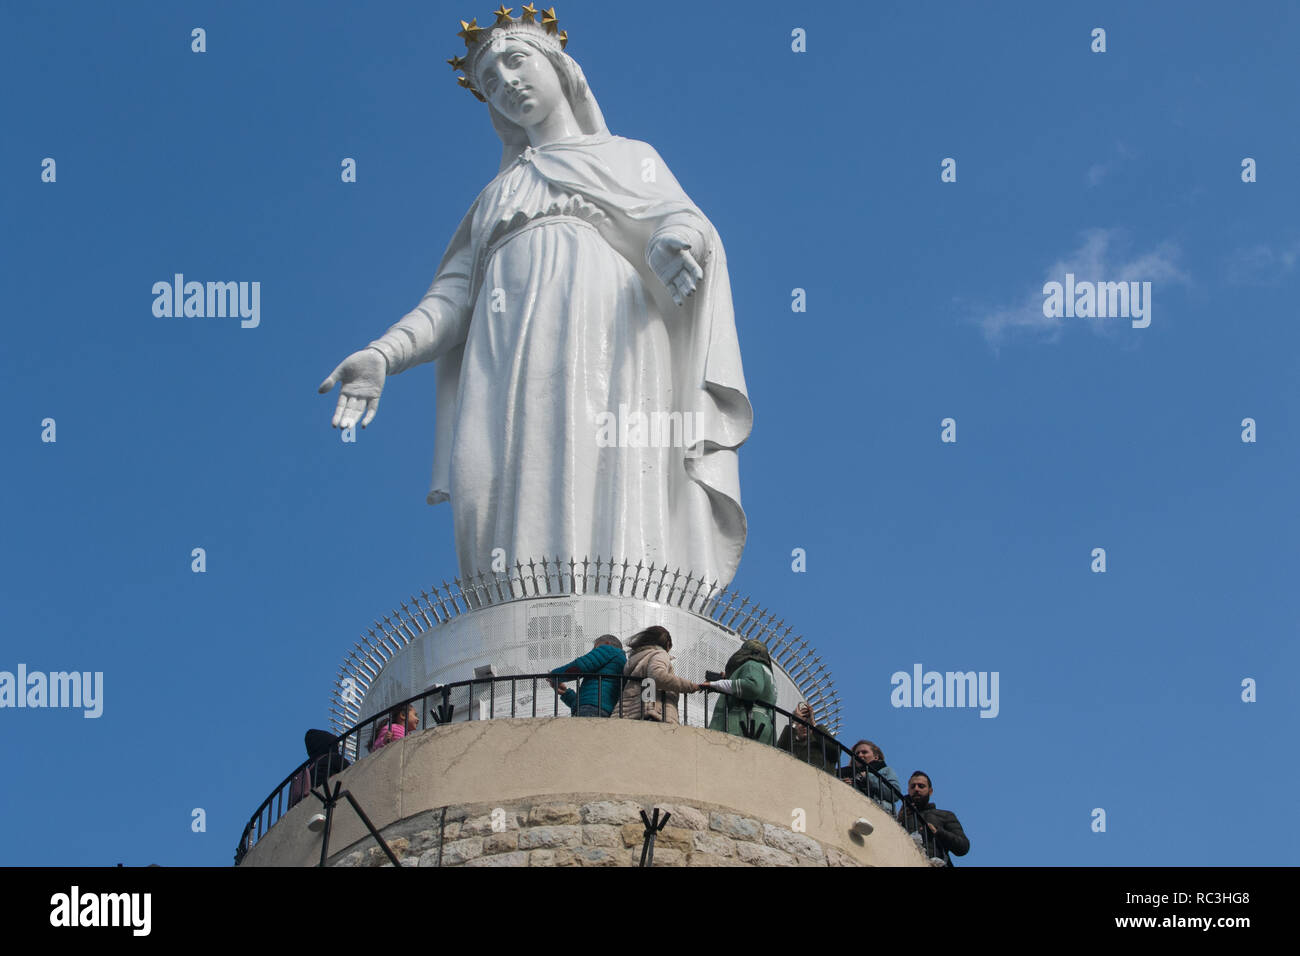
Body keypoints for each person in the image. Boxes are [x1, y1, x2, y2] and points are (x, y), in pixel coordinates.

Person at [318, 10, 752, 591]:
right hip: (504, 354)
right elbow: (451, 300)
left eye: (516, 62)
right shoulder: (497, 196)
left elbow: (679, 220)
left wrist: (676, 242)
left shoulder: (626, 156)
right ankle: (517, 617)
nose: (506, 83)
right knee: (496, 482)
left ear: (560, 68)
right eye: (490, 83)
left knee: (604, 467)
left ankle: (619, 609)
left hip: (608, 330)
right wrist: (386, 353)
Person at [700, 639, 776, 745]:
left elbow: (752, 687)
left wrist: (714, 684)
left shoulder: (752, 664)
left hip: (744, 724)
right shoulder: (767, 672)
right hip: (763, 724)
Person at [616, 626, 697, 723]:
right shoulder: (660, 654)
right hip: (654, 714)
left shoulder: (635, 659)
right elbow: (658, 677)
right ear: (668, 645)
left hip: (628, 713)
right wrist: (690, 686)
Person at [896, 771, 970, 866]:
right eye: (913, 786)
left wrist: (938, 832)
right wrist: (899, 821)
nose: (916, 789)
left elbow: (963, 847)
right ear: (908, 790)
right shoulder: (902, 816)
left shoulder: (945, 815)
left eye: (921, 786)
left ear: (930, 791)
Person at [549, 634, 626, 716]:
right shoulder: (621, 663)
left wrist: (554, 675)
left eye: (595, 648)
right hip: (605, 712)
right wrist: (566, 693)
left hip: (591, 710)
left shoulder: (609, 650)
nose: (593, 651)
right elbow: (590, 700)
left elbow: (580, 666)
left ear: (606, 644)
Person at [288, 729, 351, 808]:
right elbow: (352, 772)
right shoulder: (334, 758)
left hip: (313, 804)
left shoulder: (309, 768)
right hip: (332, 799)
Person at [774, 701, 839, 774]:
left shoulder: (822, 745)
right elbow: (777, 754)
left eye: (808, 723)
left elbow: (836, 750)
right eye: (800, 722)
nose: (804, 726)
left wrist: (813, 724)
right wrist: (794, 722)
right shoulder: (792, 746)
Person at [842, 739, 902, 813]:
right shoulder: (848, 773)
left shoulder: (885, 770)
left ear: (876, 757)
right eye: (857, 753)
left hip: (882, 812)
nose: (860, 755)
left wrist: (868, 776)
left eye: (864, 752)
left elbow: (895, 794)